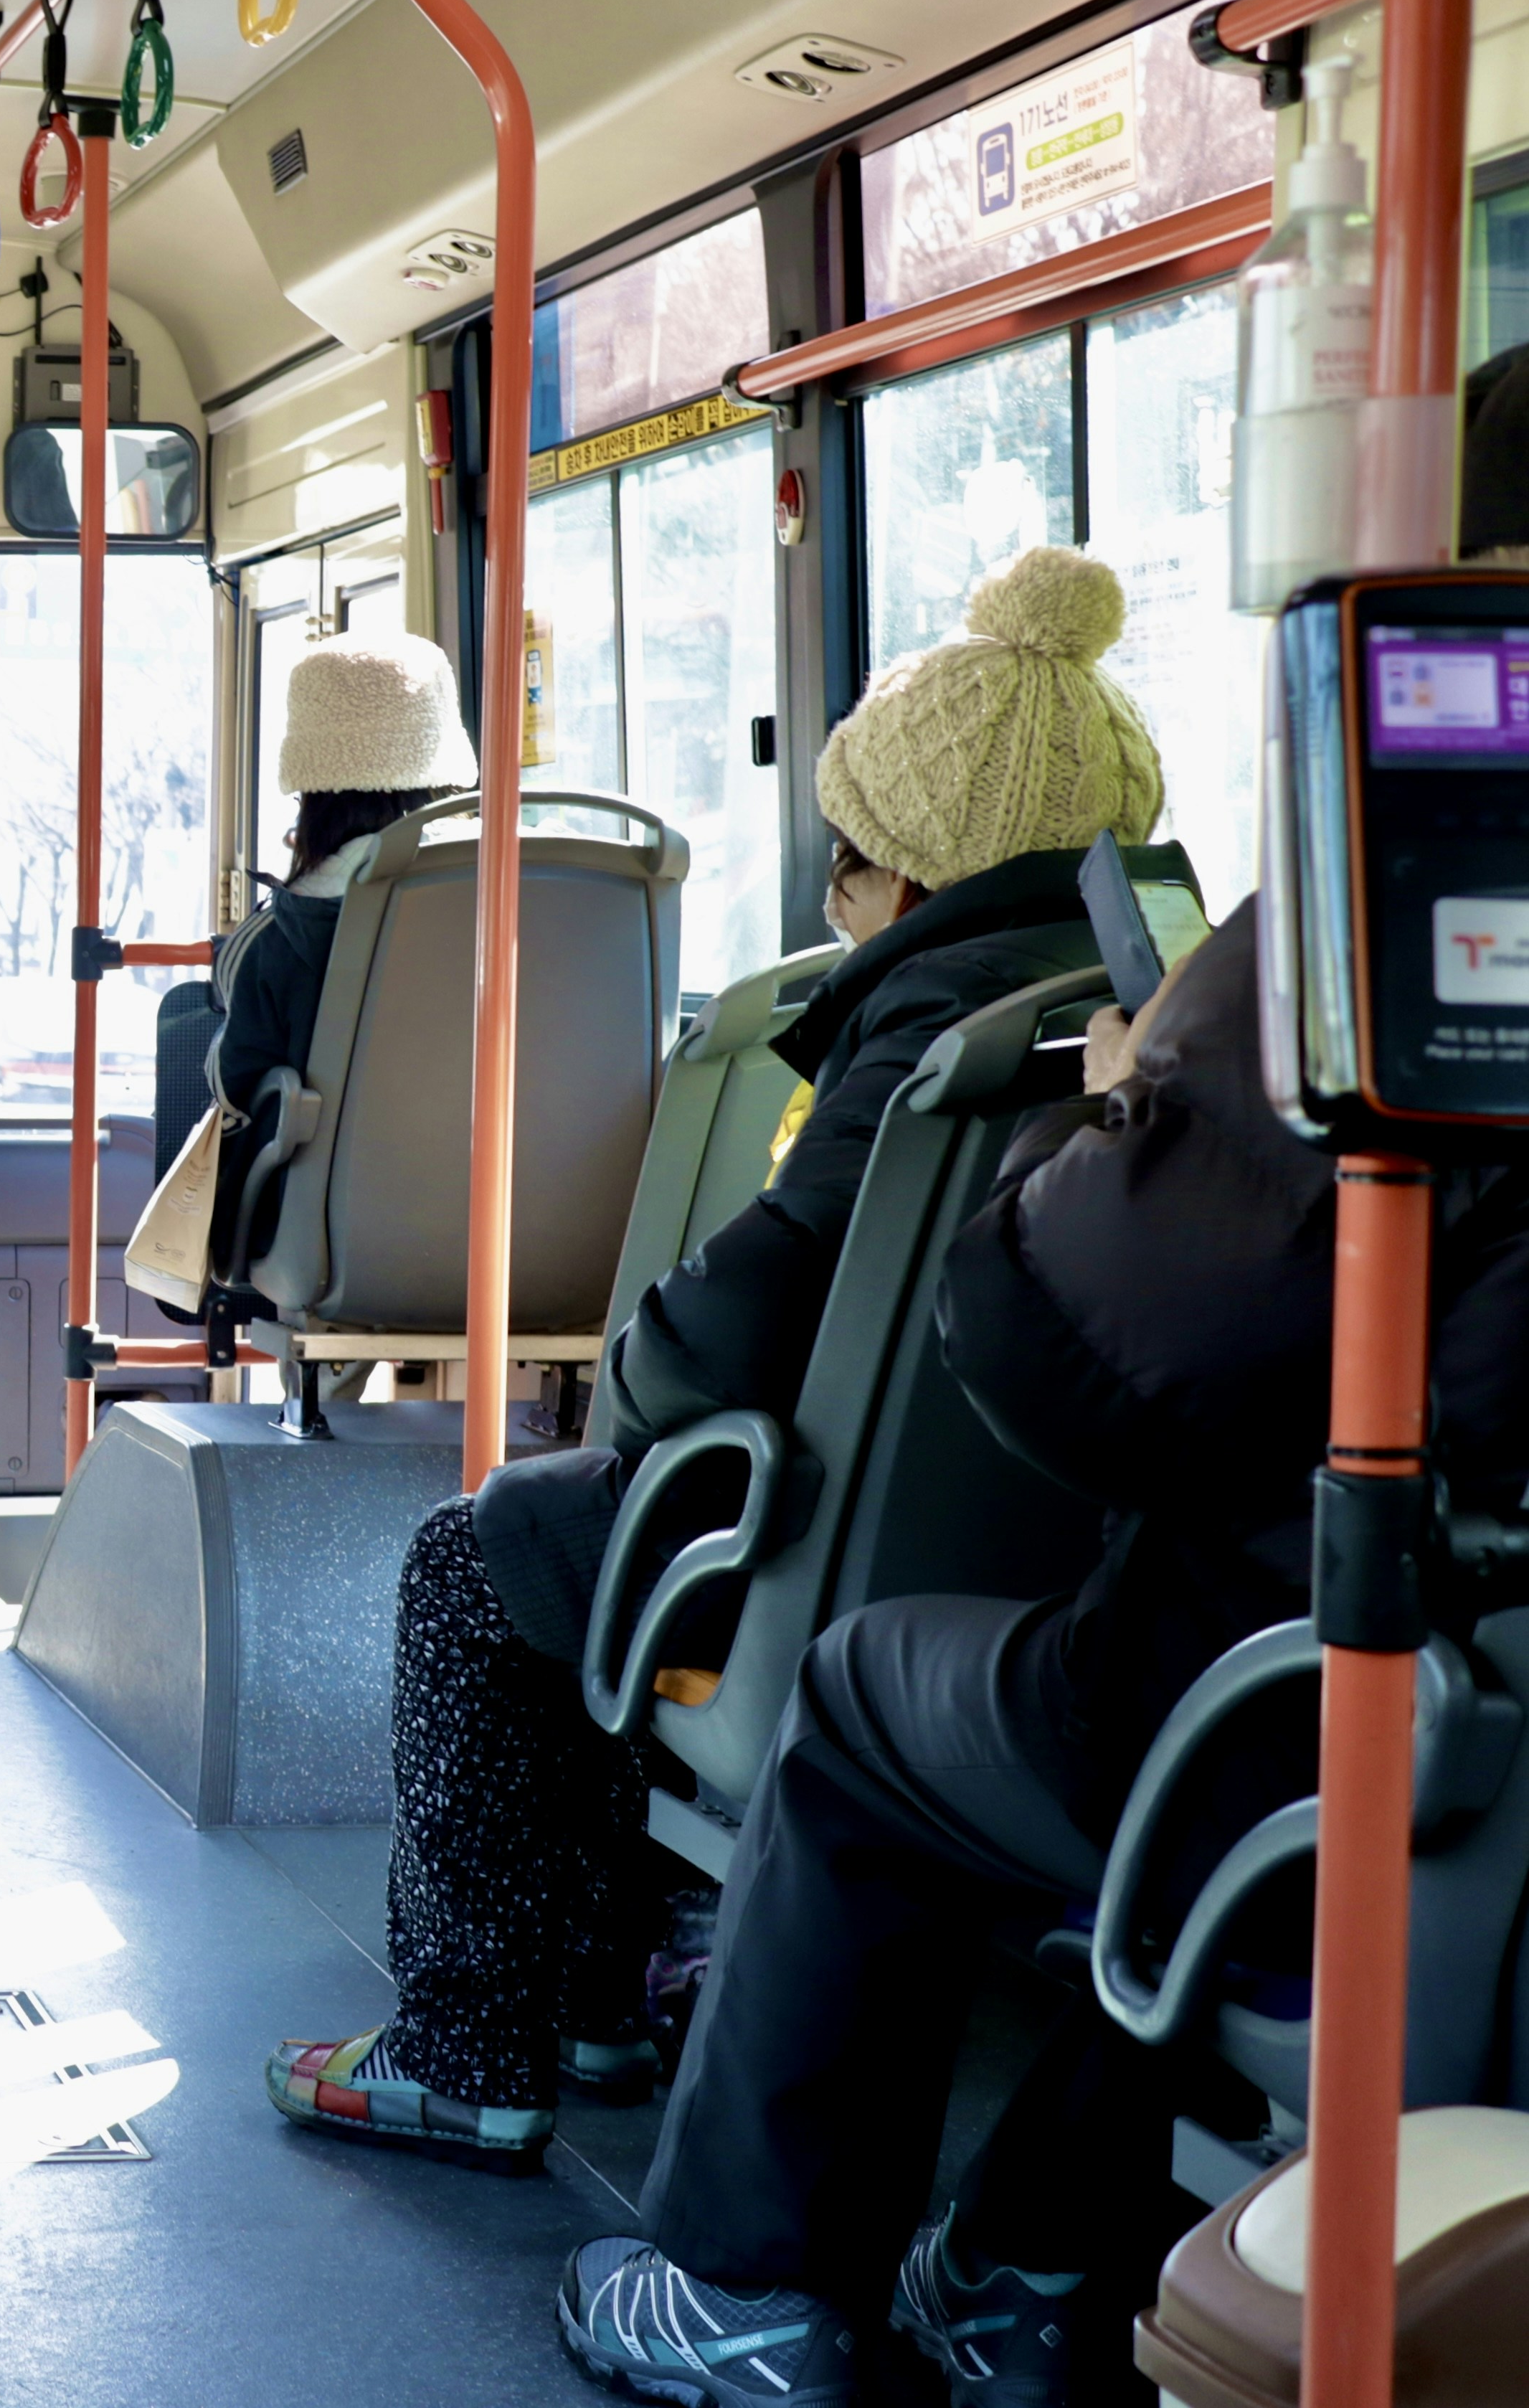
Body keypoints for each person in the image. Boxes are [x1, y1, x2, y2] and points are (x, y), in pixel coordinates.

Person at [267, 543, 1168, 2173]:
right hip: (1056, 1549)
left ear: (904, 872)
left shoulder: (918, 1034)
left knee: (481, 1557)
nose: (832, 893)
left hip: (805, 1542)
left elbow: (740, 1316)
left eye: (845, 859)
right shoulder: (1135, 994)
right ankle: (603, 1989)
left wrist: (632, 1364)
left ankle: (463, 2040)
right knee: (578, 1532)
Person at [554, 900, 1529, 2407]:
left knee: (868, 1702)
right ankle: (1019, 2259)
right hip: (1479, 1733)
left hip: (1338, 1733)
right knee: (1161, 1825)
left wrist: (1113, 1098)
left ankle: (743, 2283)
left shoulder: (1389, 920)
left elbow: (1052, 1333)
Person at [176, 630, 469, 1255]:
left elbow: (237, 1088)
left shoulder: (277, 941)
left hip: (348, 1241)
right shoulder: (546, 899)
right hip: (549, 1235)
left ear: (310, 796)